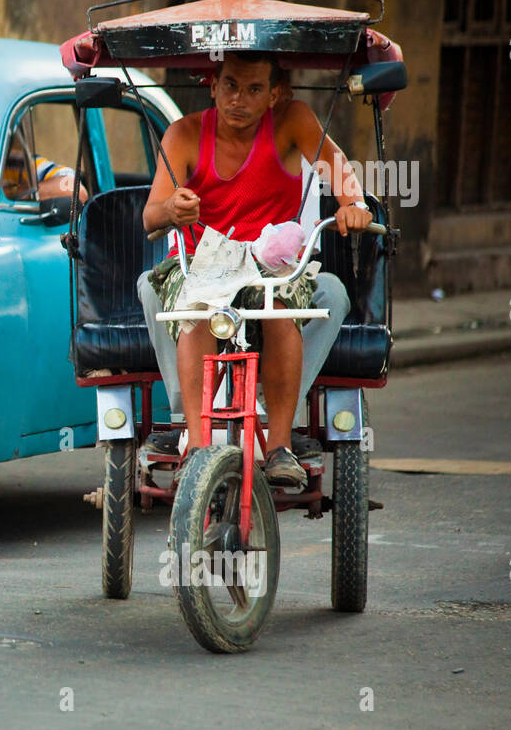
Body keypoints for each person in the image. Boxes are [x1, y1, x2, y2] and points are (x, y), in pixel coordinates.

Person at [141, 50, 373, 486]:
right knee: (195, 310)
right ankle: (196, 439)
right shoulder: (184, 134)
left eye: (253, 90)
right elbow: (150, 217)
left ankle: (279, 445)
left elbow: (342, 175)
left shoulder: (293, 120)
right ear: (212, 85)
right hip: (206, 262)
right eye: (230, 85)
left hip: (271, 264)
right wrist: (172, 208)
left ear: (273, 95)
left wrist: (353, 205)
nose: (238, 100)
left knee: (282, 307)